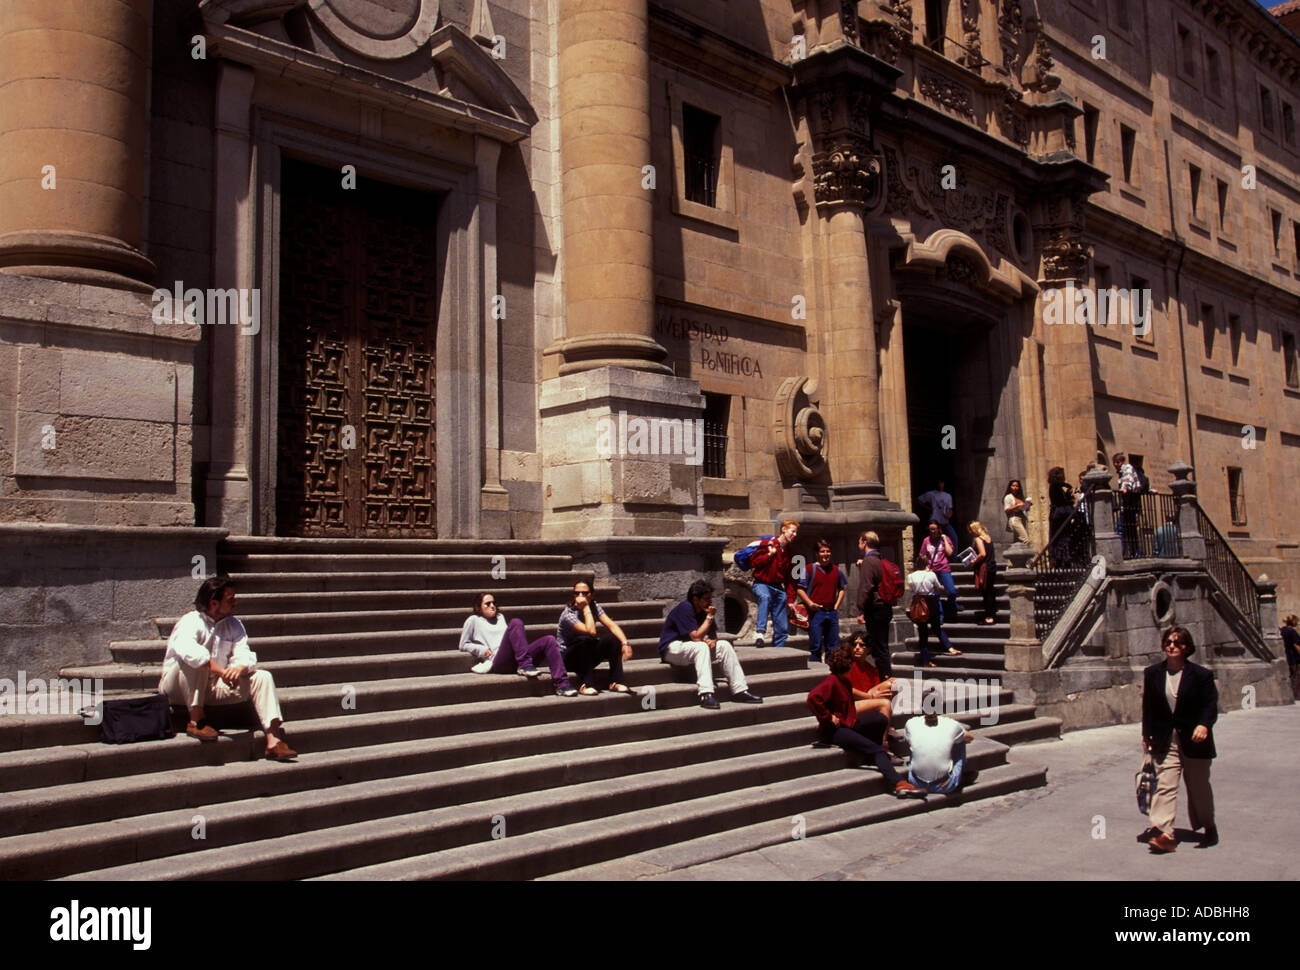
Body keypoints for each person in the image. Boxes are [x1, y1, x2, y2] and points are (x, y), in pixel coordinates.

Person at [159, 575, 297, 761]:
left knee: (262, 676)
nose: (235, 602)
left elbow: (245, 654)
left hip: (213, 688)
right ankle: (196, 721)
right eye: (230, 599)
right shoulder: (190, 621)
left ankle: (274, 742)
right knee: (196, 660)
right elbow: (189, 652)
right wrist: (222, 671)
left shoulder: (234, 625)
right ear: (214, 603)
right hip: (178, 687)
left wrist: (238, 669)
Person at [805, 644, 926, 798]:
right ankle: (899, 783)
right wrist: (828, 717)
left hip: (849, 723)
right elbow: (813, 698)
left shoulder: (845, 682)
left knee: (880, 719)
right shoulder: (832, 681)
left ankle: (872, 752)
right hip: (835, 731)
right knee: (877, 749)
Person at [1139, 625, 1218, 853]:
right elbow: (1149, 707)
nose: (1172, 646)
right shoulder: (1153, 673)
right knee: (1165, 784)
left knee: (1199, 788)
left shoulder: (1201, 675)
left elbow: (1210, 704)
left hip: (1195, 741)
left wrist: (1204, 724)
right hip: (1166, 739)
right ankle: (1165, 833)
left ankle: (1209, 827)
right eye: (1168, 642)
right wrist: (1146, 734)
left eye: (1177, 643)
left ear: (1186, 647)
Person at [660, 579, 763, 709]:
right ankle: (706, 694)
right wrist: (709, 618)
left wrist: (712, 641)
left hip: (692, 648)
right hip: (672, 649)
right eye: (706, 599)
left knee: (724, 645)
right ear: (695, 599)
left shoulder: (705, 611)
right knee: (701, 646)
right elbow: (696, 637)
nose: (710, 602)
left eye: (710, 598)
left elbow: (713, 636)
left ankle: (740, 690)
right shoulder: (685, 608)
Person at [459, 592, 578, 697]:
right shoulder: (473, 620)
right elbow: (463, 644)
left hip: (517, 658)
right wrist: (481, 649)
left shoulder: (500, 617)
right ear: (478, 607)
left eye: (494, 603)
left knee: (549, 640)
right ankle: (525, 665)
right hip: (499, 661)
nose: (492, 606)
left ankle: (562, 684)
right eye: (487, 603)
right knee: (516, 622)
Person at [555, 580, 633, 695]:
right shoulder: (568, 614)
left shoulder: (594, 606)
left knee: (613, 638)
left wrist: (625, 643)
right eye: (577, 593)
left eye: (584, 593)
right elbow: (590, 631)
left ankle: (616, 681)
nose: (580, 596)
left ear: (592, 595)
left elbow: (611, 625)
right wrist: (586, 607)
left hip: (586, 654)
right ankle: (586, 684)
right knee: (585, 640)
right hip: (568, 658)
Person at [904, 687, 977, 794]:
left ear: (922, 705)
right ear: (941, 704)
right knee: (960, 741)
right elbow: (970, 738)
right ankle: (958, 776)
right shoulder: (951, 724)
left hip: (915, 782)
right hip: (944, 786)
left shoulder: (911, 723)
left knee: (914, 741)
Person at [749, 519, 799, 648]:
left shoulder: (790, 553)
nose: (795, 535)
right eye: (792, 531)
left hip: (778, 587)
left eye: (796, 532)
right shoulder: (768, 544)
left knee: (782, 626)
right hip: (762, 583)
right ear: (783, 529)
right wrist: (769, 555)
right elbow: (754, 563)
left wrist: (791, 600)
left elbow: (791, 579)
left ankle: (779, 648)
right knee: (765, 597)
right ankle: (760, 633)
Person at [796, 539, 847, 663]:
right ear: (817, 554)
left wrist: (836, 606)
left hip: (832, 613)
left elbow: (842, 588)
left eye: (828, 551)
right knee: (816, 646)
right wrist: (810, 603)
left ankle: (831, 672)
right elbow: (800, 589)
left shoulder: (836, 570)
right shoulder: (808, 569)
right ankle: (816, 672)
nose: (826, 554)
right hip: (816, 613)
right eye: (822, 551)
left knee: (833, 647)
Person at [854, 530, 894, 677]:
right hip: (885, 607)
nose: (859, 544)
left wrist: (861, 609)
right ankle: (885, 677)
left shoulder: (869, 561)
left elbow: (866, 587)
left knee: (879, 649)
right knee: (882, 646)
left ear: (864, 542)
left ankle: (886, 681)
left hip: (875, 609)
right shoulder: (879, 559)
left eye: (859, 542)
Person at [906, 558, 960, 666]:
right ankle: (949, 648)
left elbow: (911, 590)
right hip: (931, 602)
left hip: (918, 603)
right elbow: (938, 587)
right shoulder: (931, 575)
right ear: (926, 564)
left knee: (923, 632)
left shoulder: (910, 576)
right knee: (937, 627)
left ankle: (926, 660)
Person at [919, 520, 960, 622]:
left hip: (943, 568)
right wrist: (925, 567)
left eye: (934, 529)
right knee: (935, 594)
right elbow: (922, 555)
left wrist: (945, 539)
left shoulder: (944, 539)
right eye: (930, 529)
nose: (932, 531)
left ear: (939, 529)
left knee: (951, 591)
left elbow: (950, 553)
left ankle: (952, 607)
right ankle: (940, 616)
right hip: (932, 570)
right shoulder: (926, 541)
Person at [968, 520, 997, 625]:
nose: (970, 532)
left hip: (984, 568)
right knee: (990, 590)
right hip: (992, 566)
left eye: (971, 530)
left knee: (986, 592)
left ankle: (989, 616)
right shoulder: (988, 538)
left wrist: (973, 561)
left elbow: (982, 554)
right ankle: (992, 614)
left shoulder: (978, 539)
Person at [917, 480, 959, 551]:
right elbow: (919, 500)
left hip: (945, 522)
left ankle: (953, 557)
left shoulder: (948, 496)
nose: (941, 484)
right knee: (933, 540)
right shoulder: (931, 494)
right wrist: (929, 508)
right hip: (934, 521)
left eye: (942, 483)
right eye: (939, 483)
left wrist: (949, 514)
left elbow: (950, 508)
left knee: (953, 537)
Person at [1113, 451, 1140, 557]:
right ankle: (1133, 552)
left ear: (1122, 462)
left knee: (1121, 529)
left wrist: (1125, 488)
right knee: (1129, 529)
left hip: (1129, 503)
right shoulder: (1122, 471)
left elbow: (1128, 479)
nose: (1115, 465)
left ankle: (1123, 553)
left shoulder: (1127, 468)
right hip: (1128, 504)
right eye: (1114, 462)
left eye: (1117, 462)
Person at [1047, 466, 1075, 564]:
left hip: (1058, 514)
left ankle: (1060, 557)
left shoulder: (1055, 486)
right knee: (1061, 536)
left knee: (1060, 536)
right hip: (1060, 514)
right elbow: (1061, 501)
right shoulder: (1055, 486)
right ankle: (1060, 558)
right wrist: (1070, 497)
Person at [1003, 479, 1032, 545]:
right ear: (1010, 487)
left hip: (1022, 519)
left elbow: (1024, 509)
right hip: (1014, 519)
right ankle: (1027, 555)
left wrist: (1027, 505)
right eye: (1013, 486)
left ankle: (1017, 555)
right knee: (1025, 539)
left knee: (1018, 541)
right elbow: (1006, 510)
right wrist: (1016, 506)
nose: (1015, 488)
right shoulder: (1008, 497)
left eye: (1017, 486)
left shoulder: (1020, 497)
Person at [1280, 614, 1300, 699]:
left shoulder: (1282, 630)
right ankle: (1296, 695)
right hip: (1294, 658)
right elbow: (1296, 645)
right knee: (1295, 677)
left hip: (1287, 655)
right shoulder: (1292, 631)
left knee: (1291, 675)